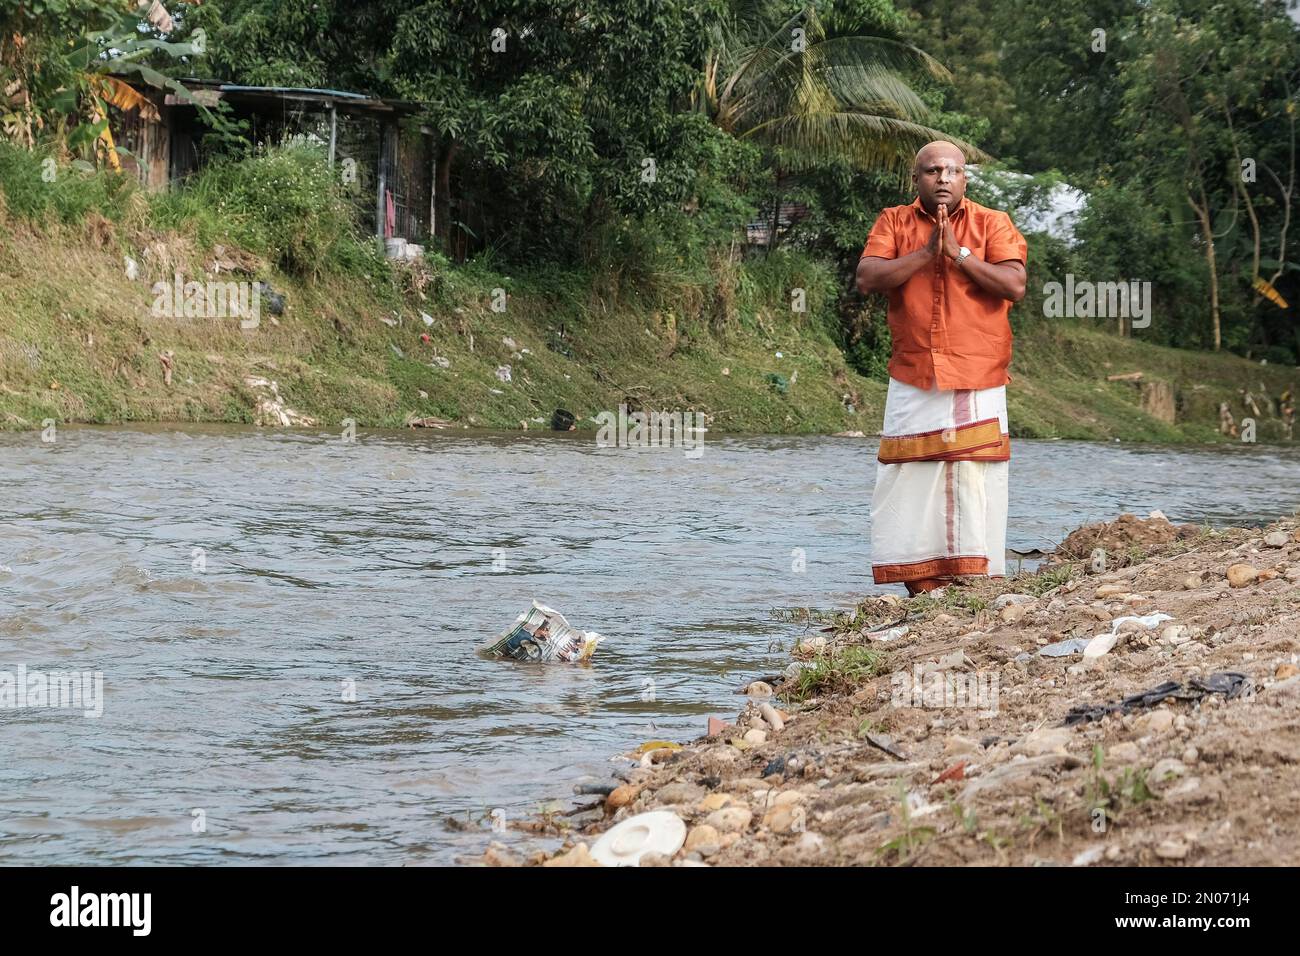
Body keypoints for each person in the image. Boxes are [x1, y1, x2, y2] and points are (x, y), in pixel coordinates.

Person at [855, 141, 1027, 595]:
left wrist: (959, 254)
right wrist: (926, 254)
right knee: (906, 474)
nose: (943, 179)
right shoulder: (894, 221)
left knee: (972, 475)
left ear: (965, 178)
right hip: (914, 373)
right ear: (917, 180)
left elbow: (1014, 285)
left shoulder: (993, 223)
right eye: (932, 171)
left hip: (979, 374)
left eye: (952, 171)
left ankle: (975, 580)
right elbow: (868, 277)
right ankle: (921, 583)